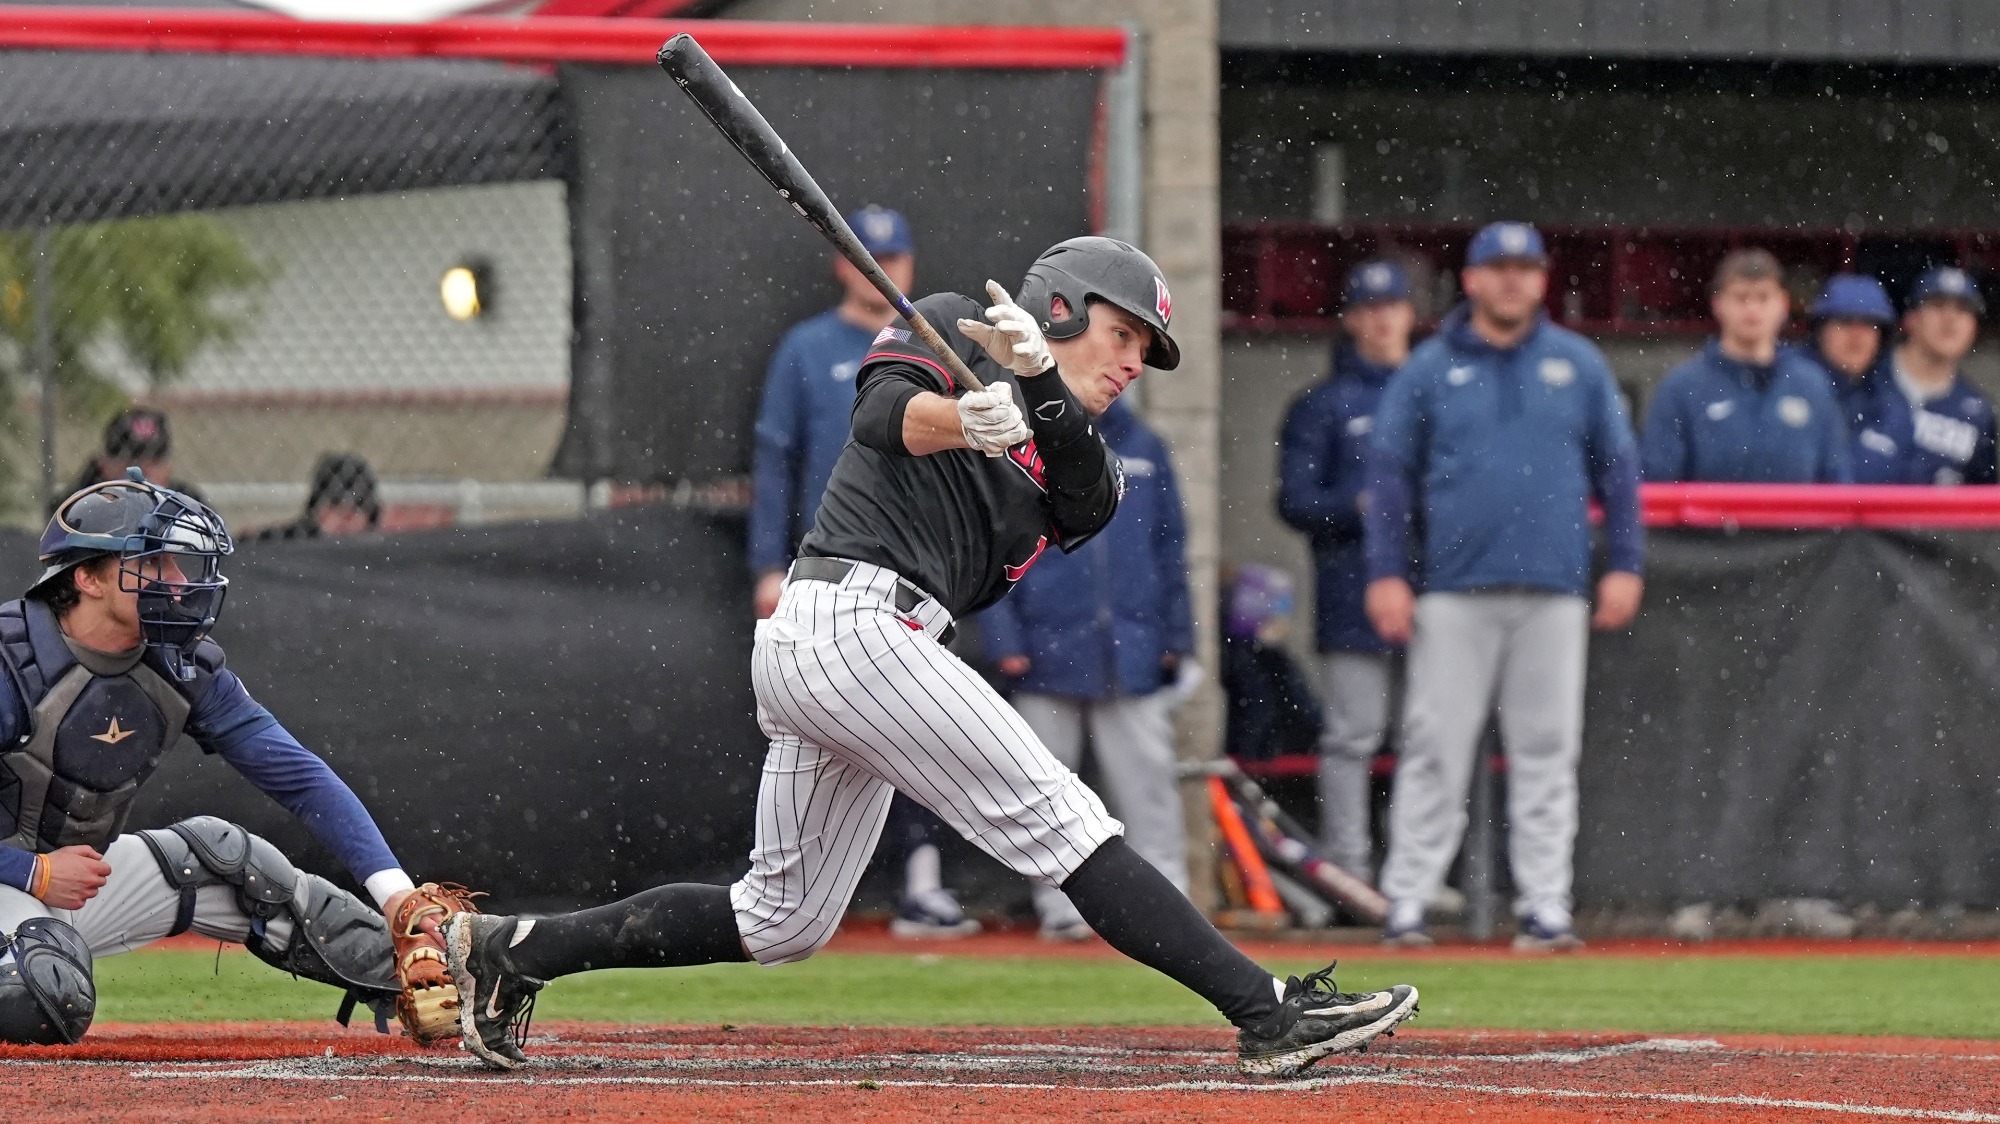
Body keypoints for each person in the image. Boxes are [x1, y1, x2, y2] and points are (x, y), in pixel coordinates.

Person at [443, 236, 1419, 1077]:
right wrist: (966, 411)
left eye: (1142, 350)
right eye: (1121, 334)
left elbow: (1075, 491)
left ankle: (512, 950)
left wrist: (1031, 387)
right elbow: (878, 419)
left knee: (781, 917)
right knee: (1062, 815)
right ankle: (1266, 1011)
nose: (1131, 362)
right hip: (845, 619)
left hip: (865, 646)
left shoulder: (1098, 456)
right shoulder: (949, 319)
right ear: (1065, 302)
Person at [0, 473, 439, 1044]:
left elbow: (301, 779)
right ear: (86, 577)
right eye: (154, 564)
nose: (179, 582)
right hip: (21, 883)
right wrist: (33, 873)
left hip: (64, 886)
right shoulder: (12, 661)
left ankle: (424, 973)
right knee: (41, 991)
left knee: (230, 863)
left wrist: (397, 895)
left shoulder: (181, 664)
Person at [1364, 221, 1644, 953]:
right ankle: (1409, 902)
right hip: (1453, 589)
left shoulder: (1578, 364)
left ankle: (1545, 907)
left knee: (1549, 749)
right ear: (1474, 280)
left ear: (1544, 279)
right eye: (1501, 268)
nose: (1514, 279)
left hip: (1554, 588)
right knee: (1434, 748)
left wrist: (1625, 563)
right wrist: (1387, 574)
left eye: (1527, 267)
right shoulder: (1427, 369)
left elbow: (1618, 473)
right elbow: (1389, 481)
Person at [744, 206, 977, 940]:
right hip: (824, 577)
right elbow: (775, 463)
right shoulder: (807, 349)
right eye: (872, 257)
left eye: (897, 257)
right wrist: (766, 565)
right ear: (845, 263)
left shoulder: (929, 343)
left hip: (909, 567)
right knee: (817, 737)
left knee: (920, 731)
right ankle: (796, 895)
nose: (887, 270)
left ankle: (921, 879)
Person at [983, 397, 1194, 941]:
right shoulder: (1023, 439)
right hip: (1045, 644)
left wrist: (1177, 635)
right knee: (1043, 789)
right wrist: (1003, 634)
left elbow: (1171, 548)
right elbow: (992, 540)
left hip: (1131, 646)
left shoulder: (1144, 444)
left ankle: (1168, 908)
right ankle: (1061, 910)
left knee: (1147, 782)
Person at [1277, 260, 1414, 883]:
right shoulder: (1324, 404)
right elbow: (1294, 500)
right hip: (1351, 591)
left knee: (1428, 740)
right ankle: (1351, 868)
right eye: (1369, 309)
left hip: (1435, 590)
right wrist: (1358, 506)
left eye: (1393, 307)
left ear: (1411, 314)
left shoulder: (1435, 391)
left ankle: (1414, 871)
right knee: (1355, 735)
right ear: (1352, 319)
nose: (1383, 321)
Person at [1641, 249, 1850, 484]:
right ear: (1718, 304)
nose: (1752, 310)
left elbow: (1837, 480)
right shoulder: (1681, 388)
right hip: (1709, 521)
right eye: (1741, 298)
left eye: (1763, 297)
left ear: (1782, 304)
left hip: (1796, 522)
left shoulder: (1812, 386)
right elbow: (1658, 482)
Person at [1885, 266, 1998, 486]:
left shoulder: (1977, 412)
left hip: (1934, 521)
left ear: (1973, 328)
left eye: (1963, 310)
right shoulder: (1866, 379)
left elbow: (1982, 508)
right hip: (1855, 519)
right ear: (1911, 319)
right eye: (1937, 305)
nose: (1950, 319)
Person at [1219, 563, 1323, 763]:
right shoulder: (1253, 656)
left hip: (1271, 750)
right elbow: (1265, 708)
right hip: (1266, 754)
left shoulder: (1260, 655)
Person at [1804, 273, 1902, 483]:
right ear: (1820, 331)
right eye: (1845, 321)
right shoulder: (1785, 388)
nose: (1857, 335)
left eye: (1868, 324)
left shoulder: (1894, 411)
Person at [59, 408, 205, 513]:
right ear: (103, 464)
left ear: (168, 467)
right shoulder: (78, 504)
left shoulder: (187, 504)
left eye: (153, 460)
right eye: (130, 461)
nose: (142, 471)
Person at [253, 453, 383, 541]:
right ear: (316, 510)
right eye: (335, 505)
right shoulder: (283, 542)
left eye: (357, 507)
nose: (346, 517)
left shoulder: (382, 551)